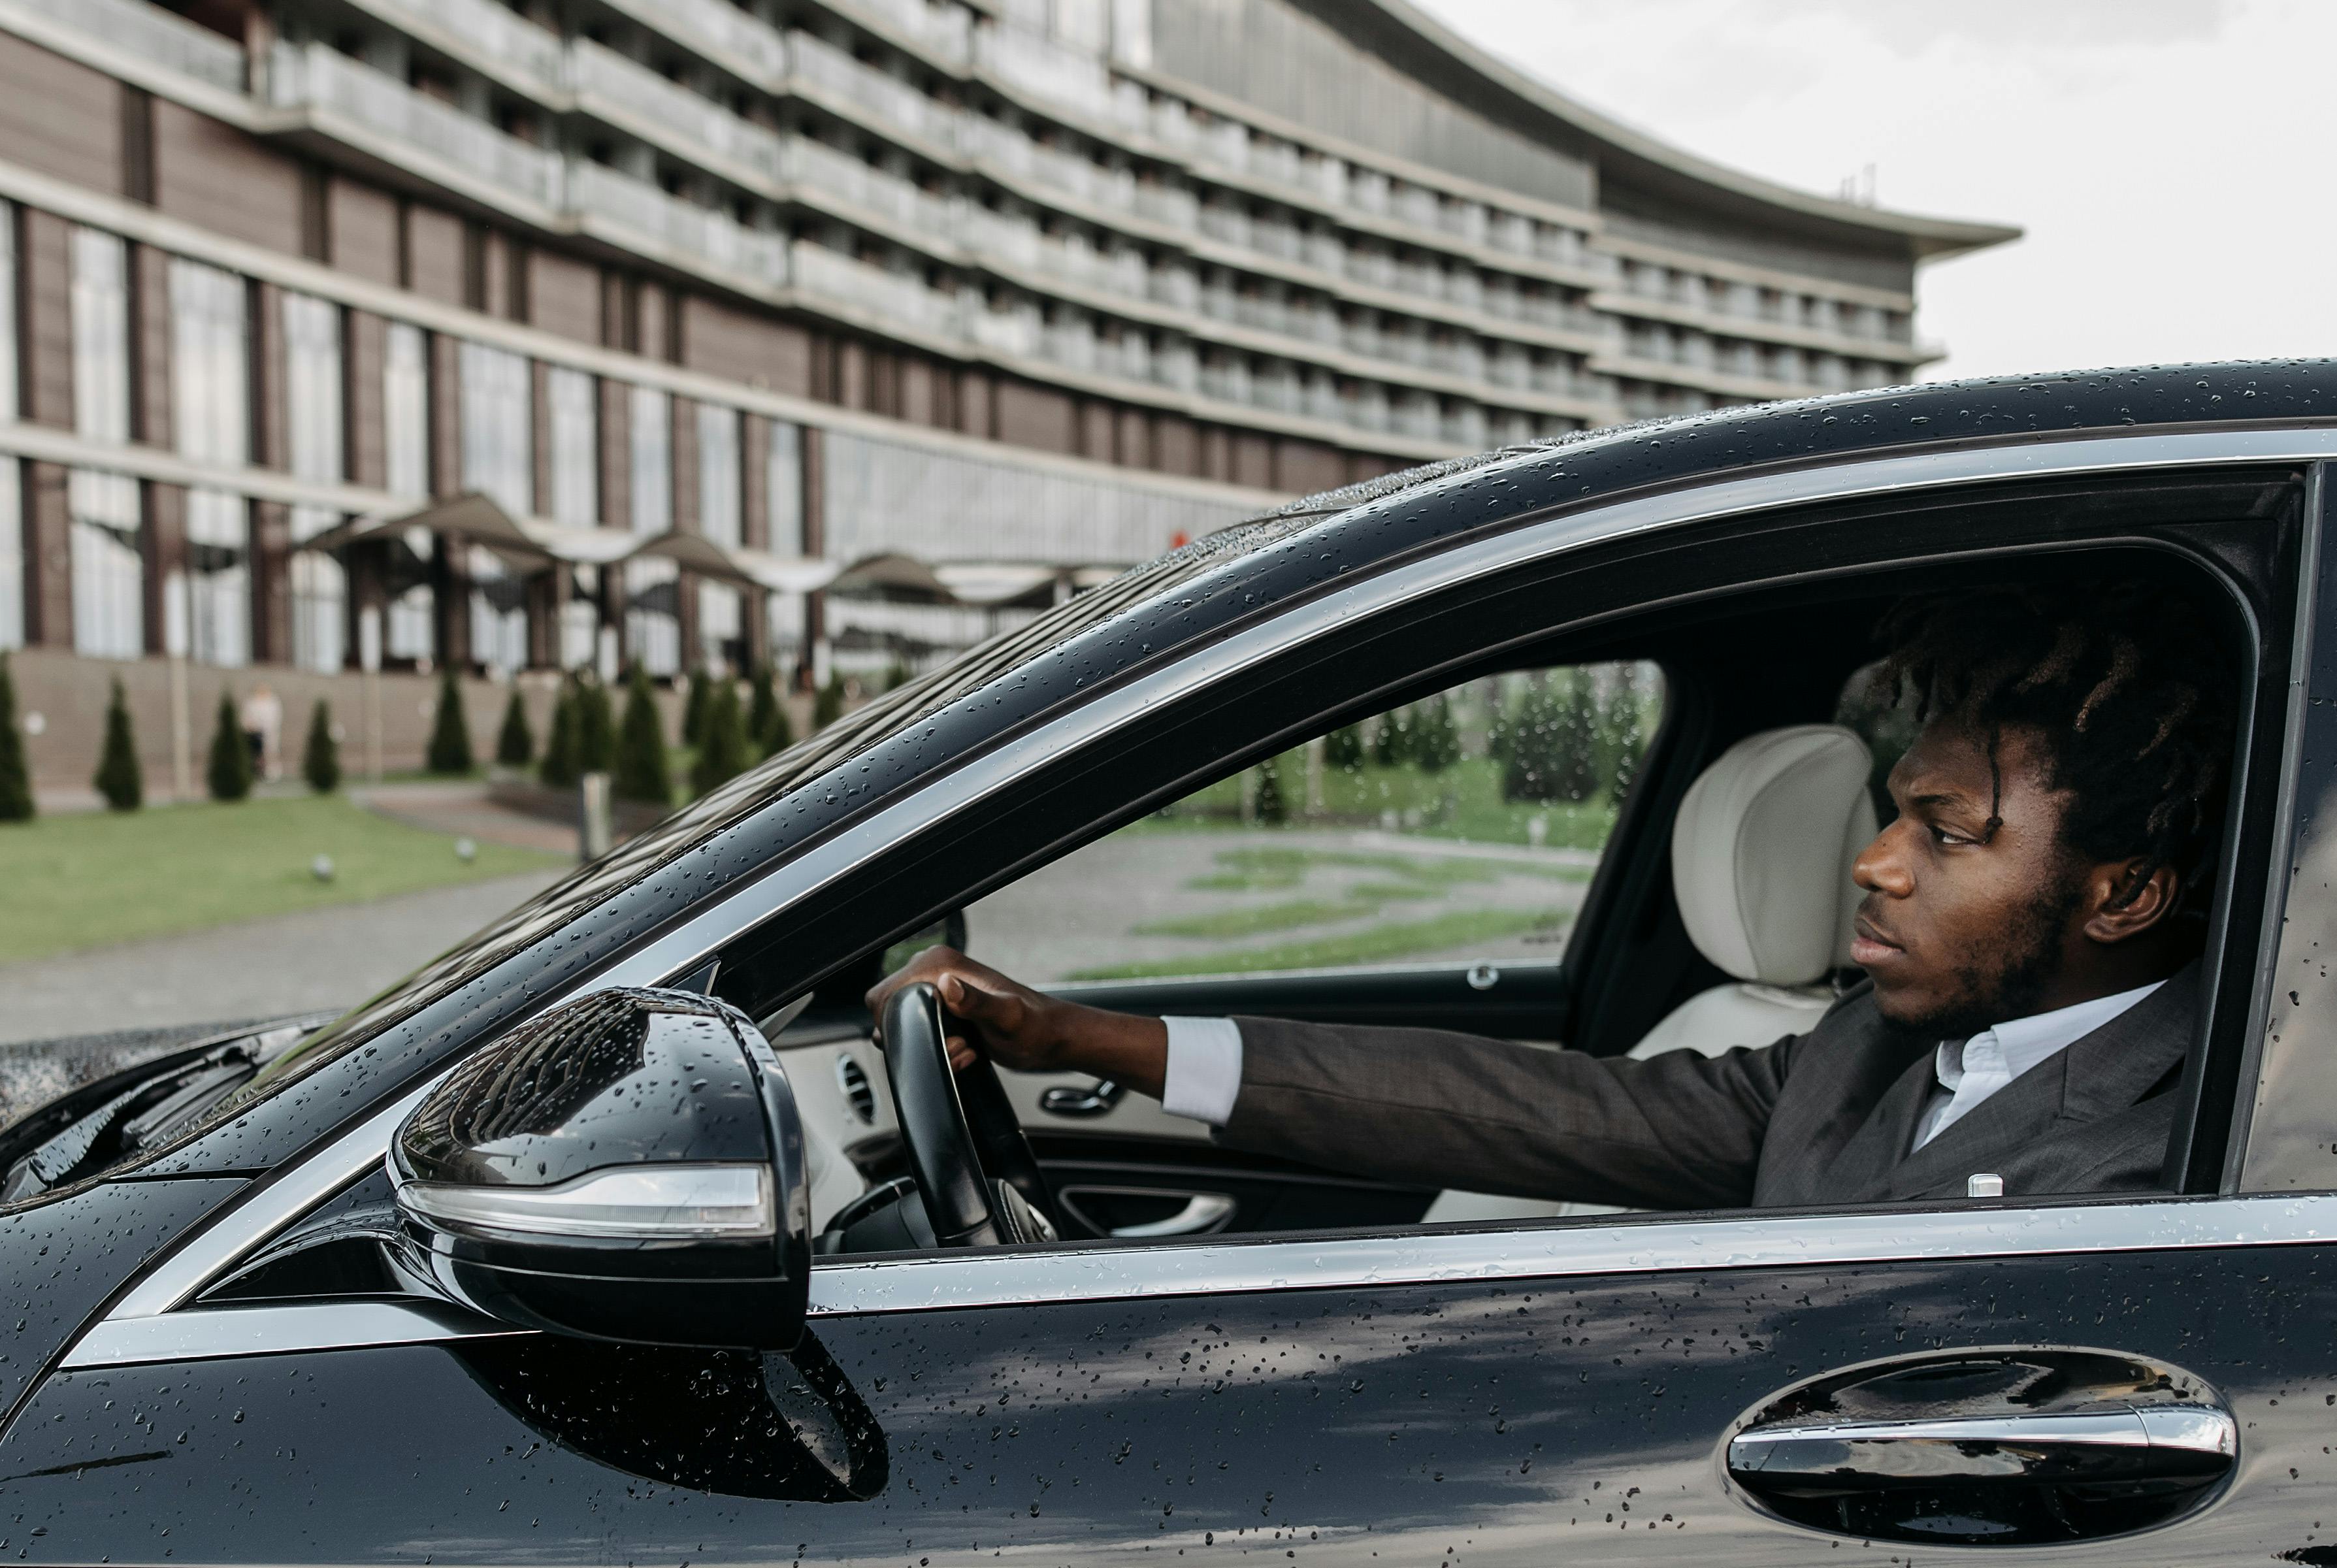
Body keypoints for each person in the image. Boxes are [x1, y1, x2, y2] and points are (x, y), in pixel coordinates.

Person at [870, 583, 2237, 1209]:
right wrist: (1081, 1036)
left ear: (2119, 894)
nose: (1873, 862)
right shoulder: (1869, 1046)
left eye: (1943, 833)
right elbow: (1534, 1107)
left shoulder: (2175, 1152)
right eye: (1889, 812)